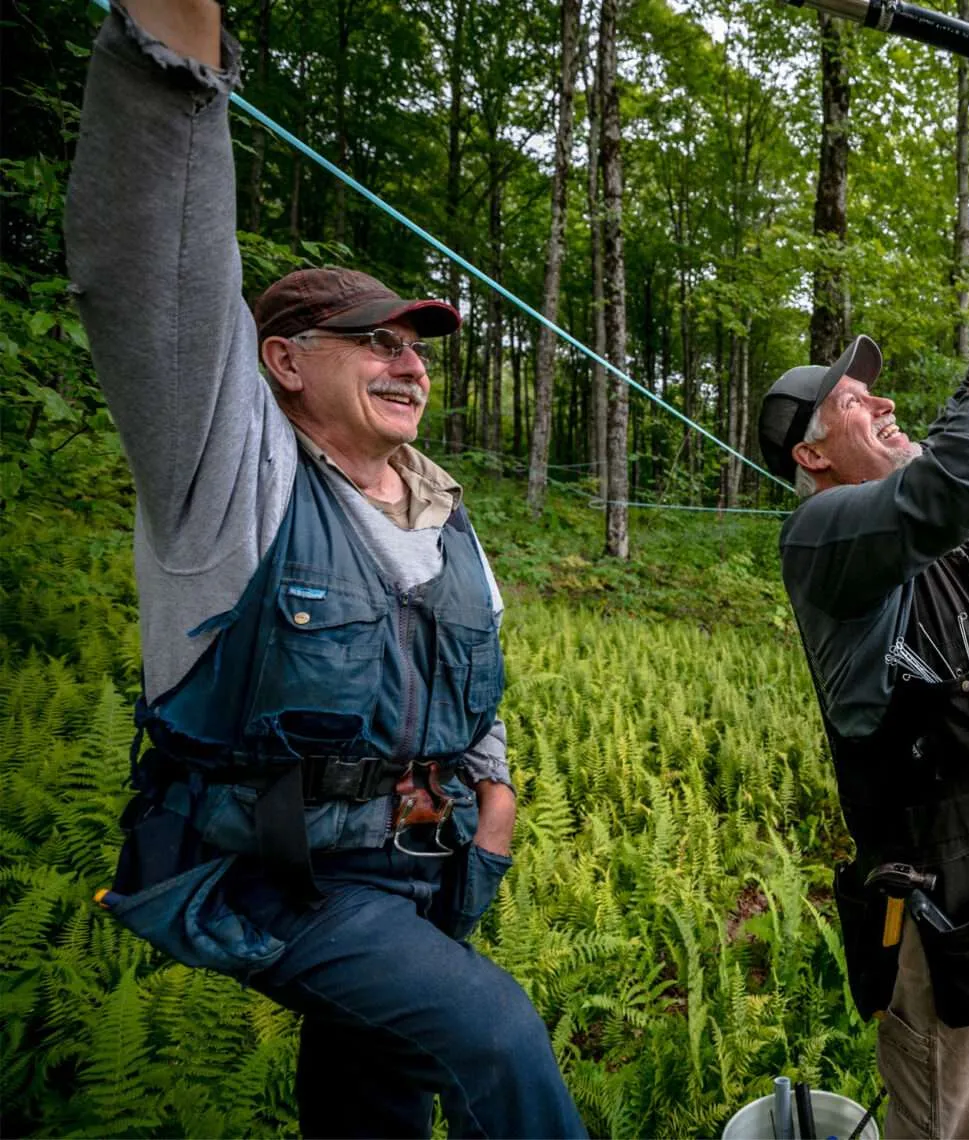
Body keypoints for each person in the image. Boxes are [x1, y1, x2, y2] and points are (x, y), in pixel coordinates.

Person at [65, 2, 585, 1135]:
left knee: (374, 1094)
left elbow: (474, 688)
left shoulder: (446, 514)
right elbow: (156, 274)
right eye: (375, 339)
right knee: (497, 1038)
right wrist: (175, 55)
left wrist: (492, 811)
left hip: (433, 866)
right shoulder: (230, 487)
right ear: (285, 363)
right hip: (284, 880)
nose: (409, 362)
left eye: (417, 346)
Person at [757, 175, 969, 1138]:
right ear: (813, 457)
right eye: (856, 402)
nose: (887, 402)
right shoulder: (822, 539)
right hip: (950, 914)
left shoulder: (901, 525)